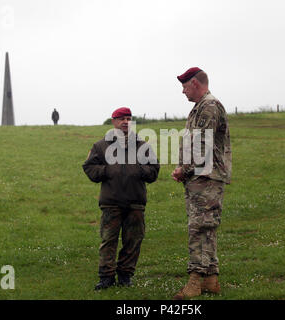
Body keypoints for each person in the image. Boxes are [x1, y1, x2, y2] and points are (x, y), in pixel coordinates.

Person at [82, 107, 160, 290]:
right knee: (108, 240)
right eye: (121, 118)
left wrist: (139, 170)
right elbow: (89, 168)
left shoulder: (142, 145)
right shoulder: (100, 146)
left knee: (133, 241)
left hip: (136, 202)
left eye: (129, 118)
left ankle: (125, 275)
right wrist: (108, 170)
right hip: (111, 202)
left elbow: (154, 170)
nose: (126, 121)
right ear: (113, 121)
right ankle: (106, 277)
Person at [171, 67, 232, 300]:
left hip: (205, 178)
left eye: (185, 87)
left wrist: (183, 170)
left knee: (198, 228)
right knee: (206, 227)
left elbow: (202, 147)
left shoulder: (208, 106)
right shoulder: (201, 107)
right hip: (201, 177)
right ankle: (211, 279)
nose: (183, 92)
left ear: (195, 84)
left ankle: (195, 282)